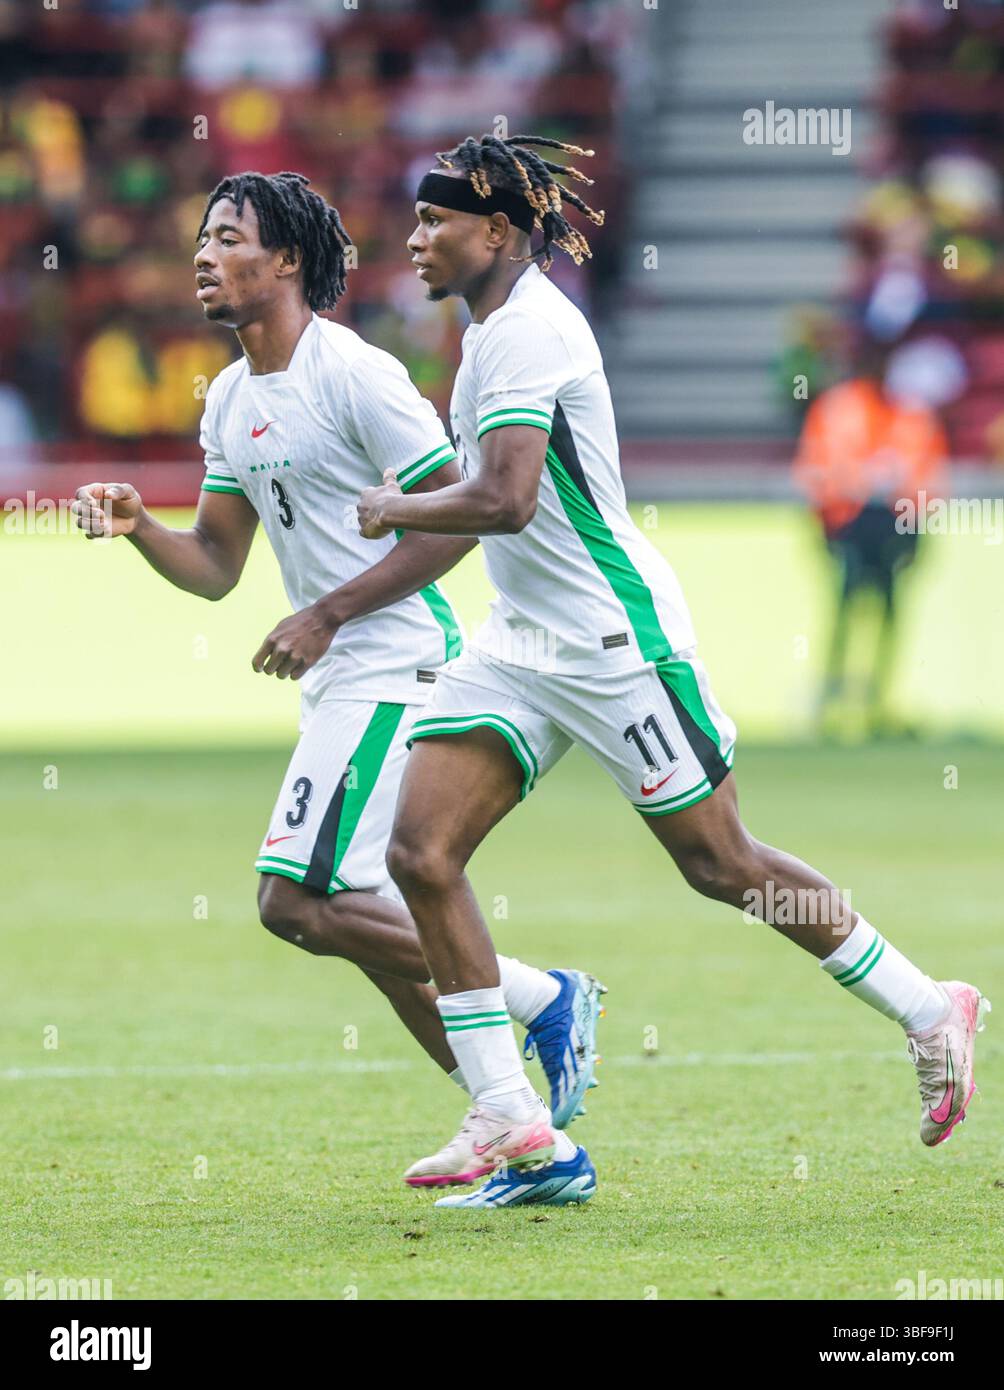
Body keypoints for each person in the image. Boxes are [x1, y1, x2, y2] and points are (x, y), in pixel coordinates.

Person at [354, 133, 989, 1209]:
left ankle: (930, 1007)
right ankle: (508, 1110)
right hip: (518, 640)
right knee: (418, 852)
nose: (413, 240)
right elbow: (508, 509)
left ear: (497, 230)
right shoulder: (485, 332)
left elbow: (504, 496)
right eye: (415, 220)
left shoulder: (531, 332)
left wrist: (391, 506)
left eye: (435, 221)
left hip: (613, 640)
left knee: (720, 862)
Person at [71, 170, 604, 1204]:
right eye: (202, 235)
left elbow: (448, 524)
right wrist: (141, 528)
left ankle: (542, 997)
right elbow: (218, 567)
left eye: (227, 237)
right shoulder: (229, 397)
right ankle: (529, 1138)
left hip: (400, 660)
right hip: (343, 671)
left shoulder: (353, 374)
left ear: (286, 264)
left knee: (294, 898)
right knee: (356, 915)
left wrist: (329, 611)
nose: (203, 254)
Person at [793, 354, 947, 737]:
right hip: (852, 523)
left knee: (885, 612)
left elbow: (929, 478)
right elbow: (818, 472)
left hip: (891, 523)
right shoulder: (841, 409)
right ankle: (834, 700)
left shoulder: (911, 414)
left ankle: (874, 700)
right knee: (847, 610)